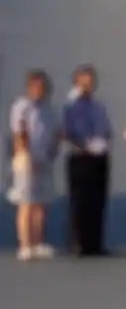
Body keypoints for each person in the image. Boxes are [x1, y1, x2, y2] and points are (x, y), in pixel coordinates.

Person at [8, 70, 61, 261]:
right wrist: (26, 155)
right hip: (26, 159)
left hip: (45, 159)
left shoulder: (50, 109)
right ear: (29, 87)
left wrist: (51, 153)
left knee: (41, 203)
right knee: (26, 203)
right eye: (35, 86)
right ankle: (24, 245)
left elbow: (56, 133)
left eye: (42, 86)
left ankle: (38, 243)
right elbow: (19, 131)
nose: (39, 89)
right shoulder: (21, 106)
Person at [61, 65, 114, 257]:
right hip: (80, 156)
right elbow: (67, 132)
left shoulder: (98, 105)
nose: (88, 85)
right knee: (80, 201)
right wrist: (84, 145)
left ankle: (95, 243)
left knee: (98, 200)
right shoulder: (71, 105)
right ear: (76, 82)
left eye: (91, 81)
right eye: (84, 81)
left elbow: (106, 128)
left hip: (99, 157)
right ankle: (79, 243)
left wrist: (104, 140)